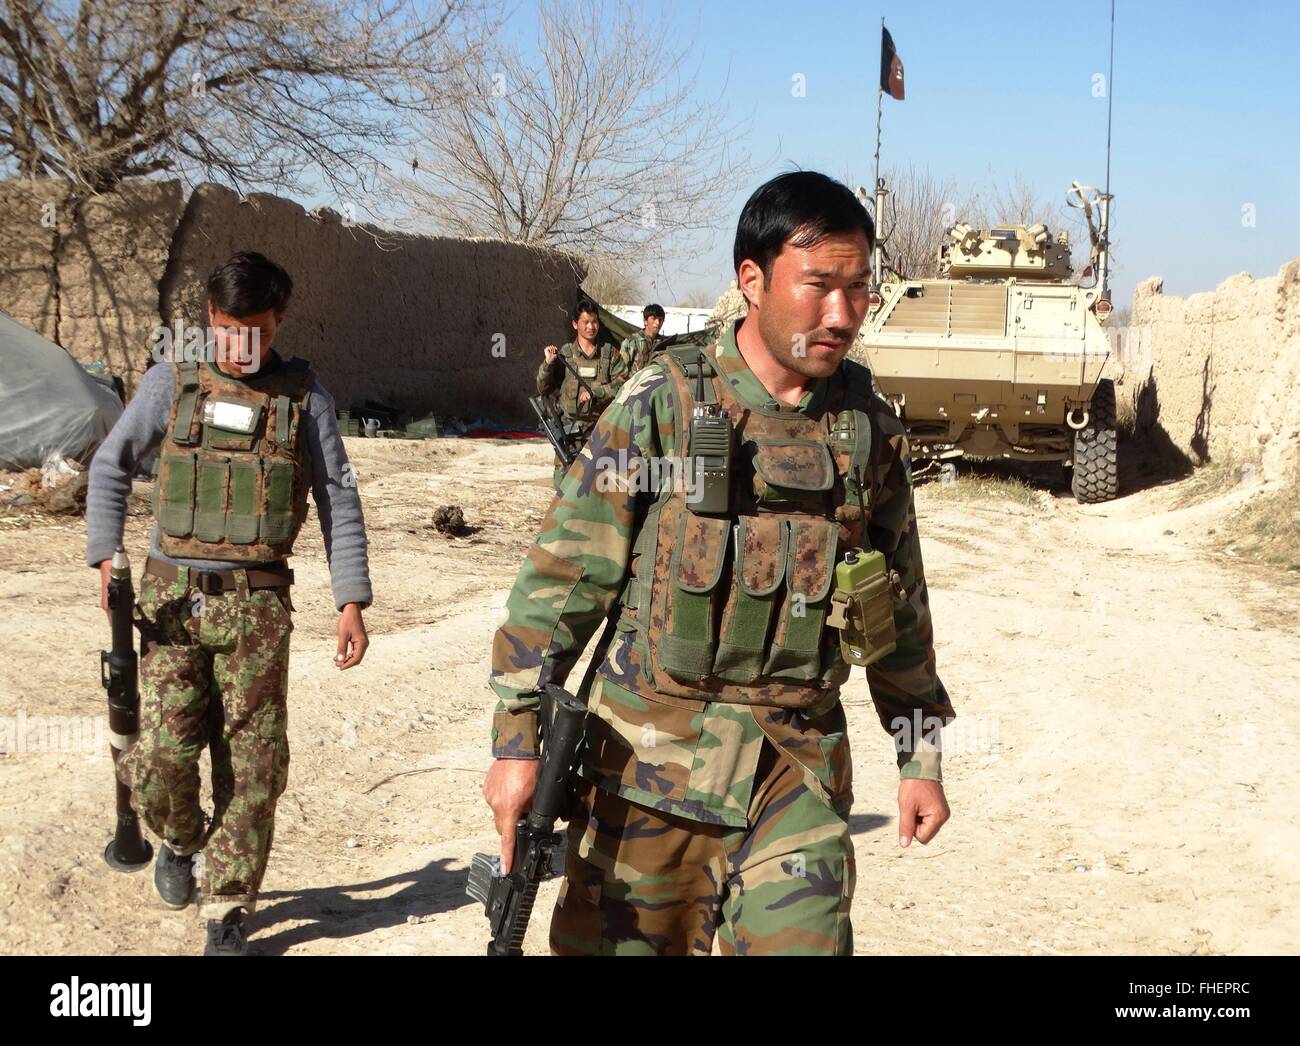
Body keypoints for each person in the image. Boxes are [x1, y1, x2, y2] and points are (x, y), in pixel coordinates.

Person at [484, 171, 954, 956]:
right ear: (752, 280)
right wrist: (515, 742)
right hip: (645, 777)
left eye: (860, 290)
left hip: (794, 775)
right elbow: (562, 585)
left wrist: (920, 752)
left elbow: (897, 606)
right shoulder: (659, 405)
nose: (842, 314)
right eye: (819, 286)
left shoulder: (866, 431)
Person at [86, 251, 373, 955]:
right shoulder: (170, 384)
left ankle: (228, 908)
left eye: (260, 331)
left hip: (258, 612)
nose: (243, 347)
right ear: (210, 318)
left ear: (278, 321)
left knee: (253, 768)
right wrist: (105, 555)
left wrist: (351, 600)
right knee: (159, 758)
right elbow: (110, 464)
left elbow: (338, 495)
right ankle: (180, 841)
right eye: (229, 330)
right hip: (170, 605)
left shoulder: (307, 399)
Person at [536, 298, 624, 487]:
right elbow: (543, 388)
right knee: (564, 488)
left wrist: (596, 391)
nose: (591, 327)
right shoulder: (564, 355)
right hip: (570, 436)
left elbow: (624, 385)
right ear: (575, 324)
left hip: (601, 433)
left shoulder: (610, 355)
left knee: (601, 488)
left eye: (594, 322)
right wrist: (548, 364)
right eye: (586, 322)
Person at [618, 303, 666, 374]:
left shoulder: (664, 344)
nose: (657, 322)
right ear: (645, 321)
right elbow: (621, 373)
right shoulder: (631, 342)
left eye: (660, 319)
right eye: (653, 318)